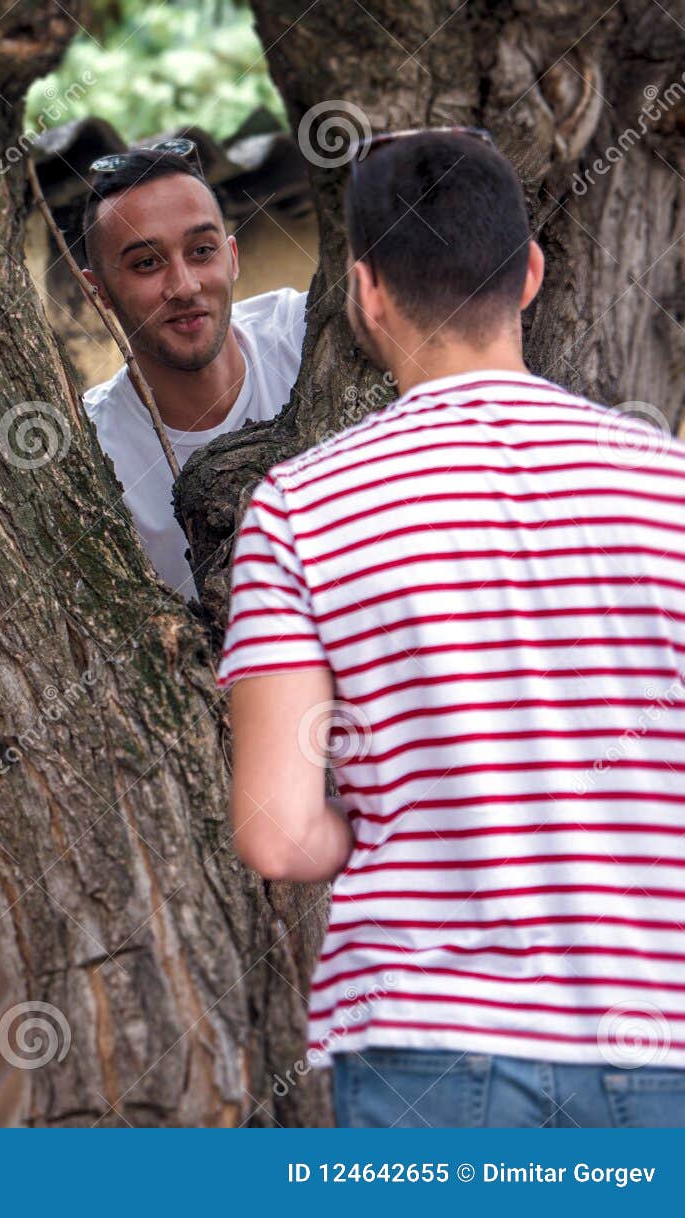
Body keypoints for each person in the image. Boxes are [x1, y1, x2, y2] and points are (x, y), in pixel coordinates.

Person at [218, 127, 685, 1127]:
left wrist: (410, 825)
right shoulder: (667, 491)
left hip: (428, 1054)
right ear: (527, 274)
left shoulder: (301, 508)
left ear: (366, 293)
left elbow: (277, 835)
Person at [80, 141, 307, 597]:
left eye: (202, 251)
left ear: (233, 257)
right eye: (146, 263)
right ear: (98, 292)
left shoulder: (307, 337)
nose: (184, 286)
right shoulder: (89, 450)